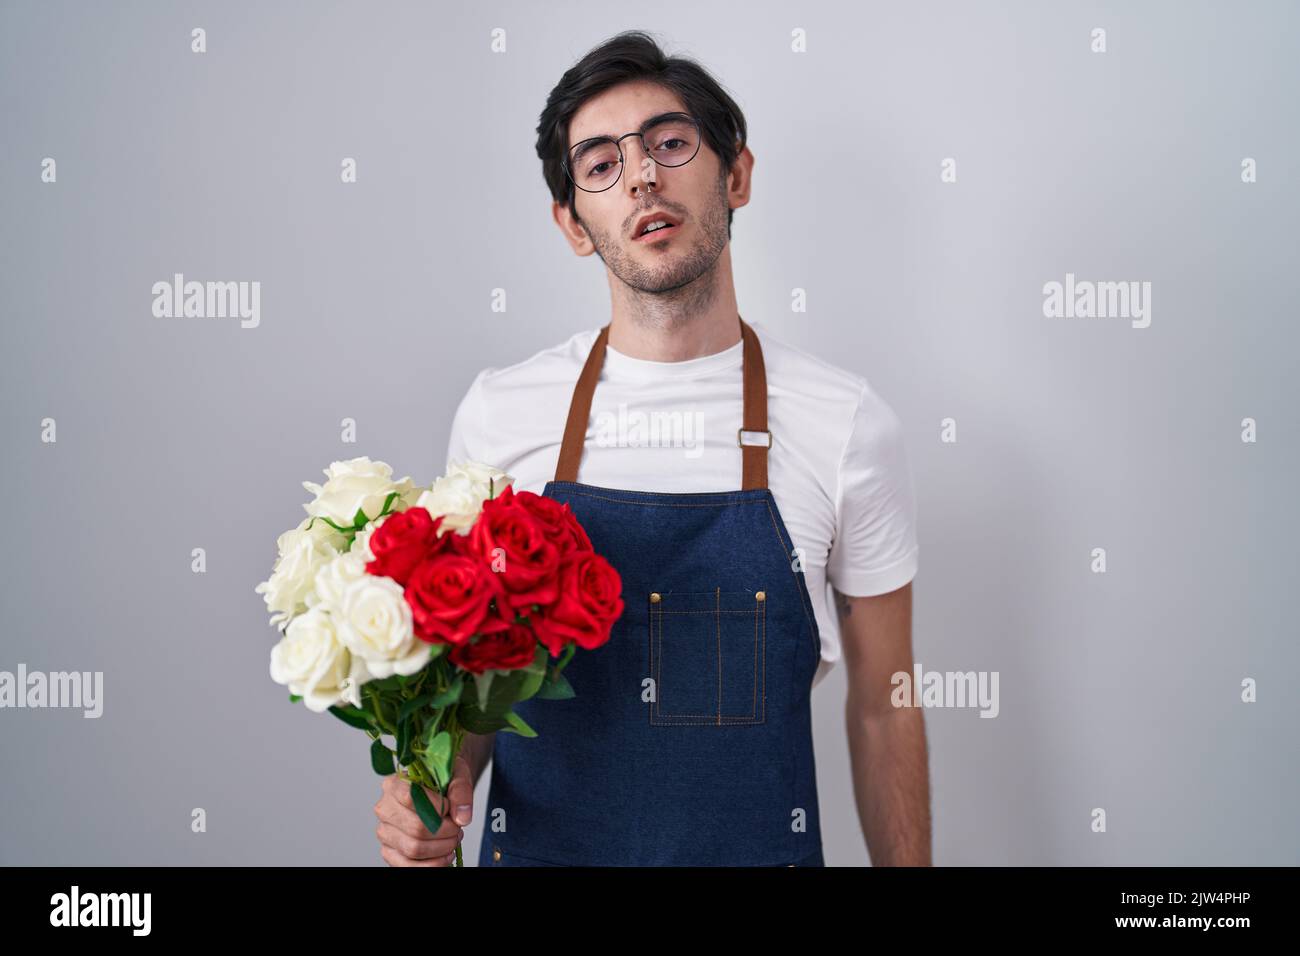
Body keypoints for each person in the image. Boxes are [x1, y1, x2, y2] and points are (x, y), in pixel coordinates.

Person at [374, 29, 929, 867]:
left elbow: (888, 701)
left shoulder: (845, 423)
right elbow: (478, 689)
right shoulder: (501, 414)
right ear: (573, 224)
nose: (640, 175)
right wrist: (433, 786)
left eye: (670, 143)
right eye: (600, 163)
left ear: (735, 174)